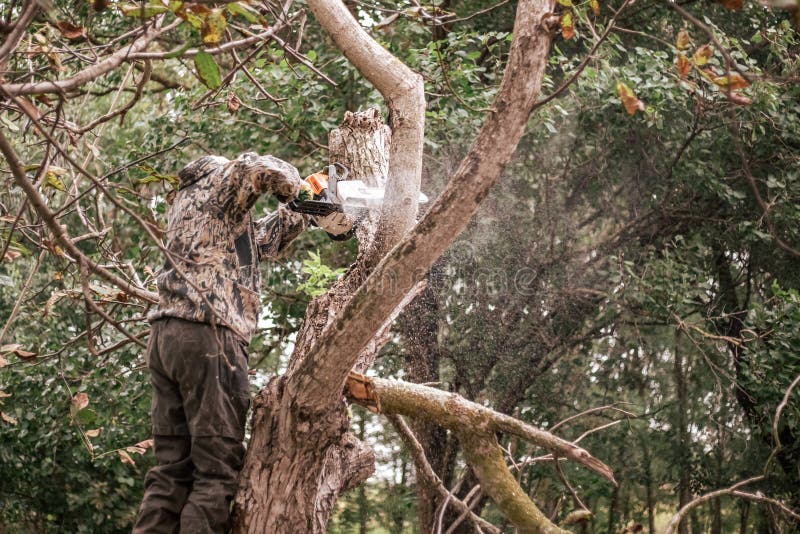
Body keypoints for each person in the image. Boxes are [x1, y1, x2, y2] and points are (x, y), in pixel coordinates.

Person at [133, 153, 353, 533]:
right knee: (215, 475)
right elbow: (254, 164)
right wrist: (299, 189)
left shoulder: (196, 206)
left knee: (170, 474)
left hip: (167, 338)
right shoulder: (220, 177)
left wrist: (309, 207)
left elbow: (258, 243)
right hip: (211, 335)